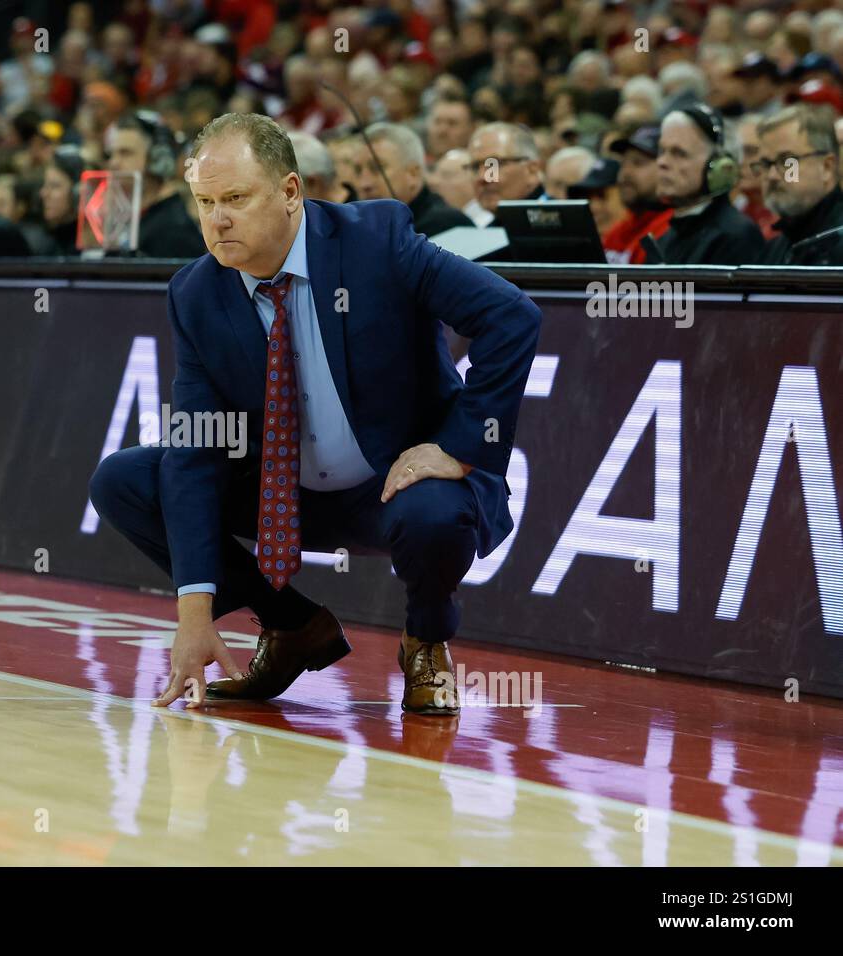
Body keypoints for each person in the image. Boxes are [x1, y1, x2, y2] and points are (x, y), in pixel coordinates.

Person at [89, 113, 541, 715]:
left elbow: (512, 316)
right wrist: (193, 613)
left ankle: (427, 643)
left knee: (437, 511)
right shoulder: (196, 292)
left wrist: (458, 448)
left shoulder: (376, 240)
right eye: (204, 202)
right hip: (282, 492)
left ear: (290, 192)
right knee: (125, 480)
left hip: (391, 483)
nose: (217, 219)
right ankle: (292, 626)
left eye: (235, 198)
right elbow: (196, 449)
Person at [654, 103, 765, 264]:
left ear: (720, 167)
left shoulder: (737, 237)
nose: (662, 162)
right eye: (661, 151)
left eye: (679, 153)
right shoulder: (666, 238)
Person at [107, 111, 206, 257]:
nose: (113, 163)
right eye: (110, 154)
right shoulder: (130, 216)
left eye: (125, 153)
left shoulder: (174, 228)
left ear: (157, 158)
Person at [756, 105, 843, 265]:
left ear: (827, 167)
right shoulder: (775, 247)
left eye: (787, 162)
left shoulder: (837, 239)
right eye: (766, 163)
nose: (772, 175)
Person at [356, 123, 473, 236]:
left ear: (413, 174)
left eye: (377, 168)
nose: (364, 184)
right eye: (358, 170)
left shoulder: (444, 226)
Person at [602, 125, 673, 264]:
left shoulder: (672, 231)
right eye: (623, 163)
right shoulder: (619, 230)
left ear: (666, 168)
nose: (625, 173)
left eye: (638, 163)